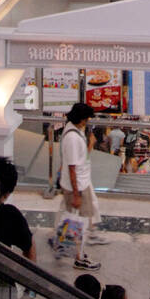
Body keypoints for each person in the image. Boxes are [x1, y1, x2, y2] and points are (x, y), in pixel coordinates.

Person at [57, 102, 102, 270]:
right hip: (78, 187)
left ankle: (70, 248)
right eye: (86, 119)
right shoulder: (73, 138)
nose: (87, 122)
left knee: (74, 218)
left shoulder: (72, 131)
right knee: (80, 222)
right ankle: (79, 257)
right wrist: (76, 194)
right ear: (81, 119)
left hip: (79, 184)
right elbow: (72, 167)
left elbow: (77, 161)